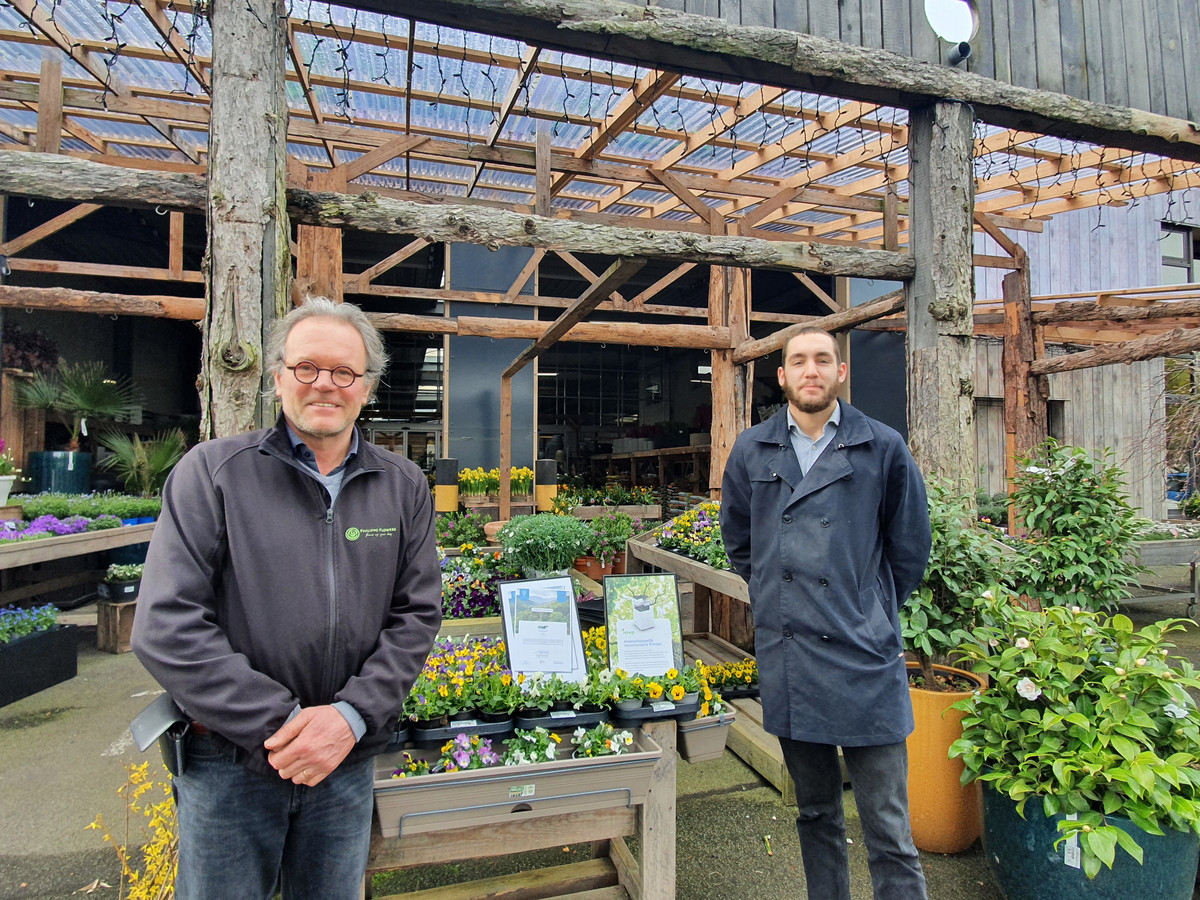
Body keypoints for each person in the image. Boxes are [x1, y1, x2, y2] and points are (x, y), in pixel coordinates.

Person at [132, 297, 443, 900]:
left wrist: (348, 720)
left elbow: (416, 616)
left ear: (367, 386)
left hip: (344, 765)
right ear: (278, 377)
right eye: (307, 368)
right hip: (230, 763)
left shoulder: (401, 486)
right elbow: (166, 625)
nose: (325, 384)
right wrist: (287, 725)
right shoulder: (214, 474)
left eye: (345, 372)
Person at [719, 326, 931, 900]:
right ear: (782, 376)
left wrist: (871, 612)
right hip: (792, 660)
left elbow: (910, 548)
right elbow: (741, 542)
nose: (810, 370)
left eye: (822, 359)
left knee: (889, 831)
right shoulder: (751, 450)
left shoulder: (882, 447)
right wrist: (777, 596)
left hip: (866, 658)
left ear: (840, 372)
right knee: (815, 816)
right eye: (797, 361)